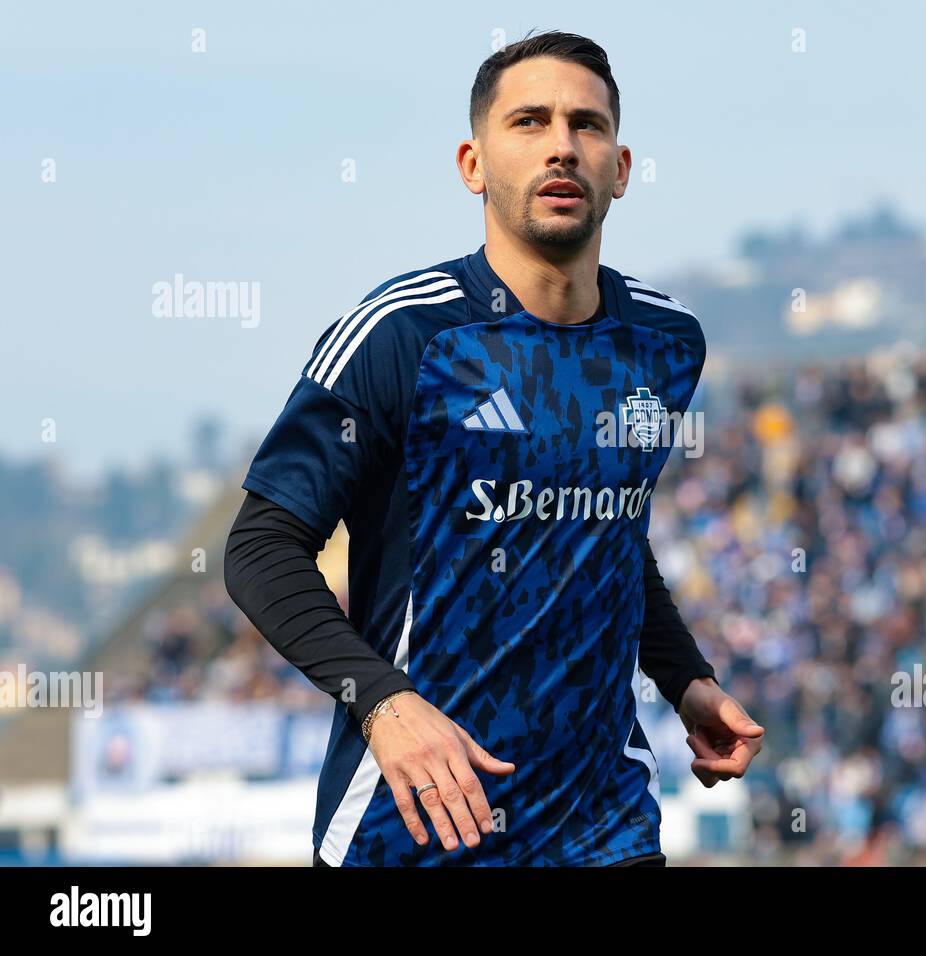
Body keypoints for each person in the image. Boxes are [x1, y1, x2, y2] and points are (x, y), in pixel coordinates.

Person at [224, 30, 763, 867]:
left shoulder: (666, 343)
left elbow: (607, 531)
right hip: (414, 828)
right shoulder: (403, 336)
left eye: (586, 124)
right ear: (473, 163)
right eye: (530, 121)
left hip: (604, 826)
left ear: (620, 168)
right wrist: (382, 704)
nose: (561, 145)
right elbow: (260, 548)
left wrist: (684, 677)